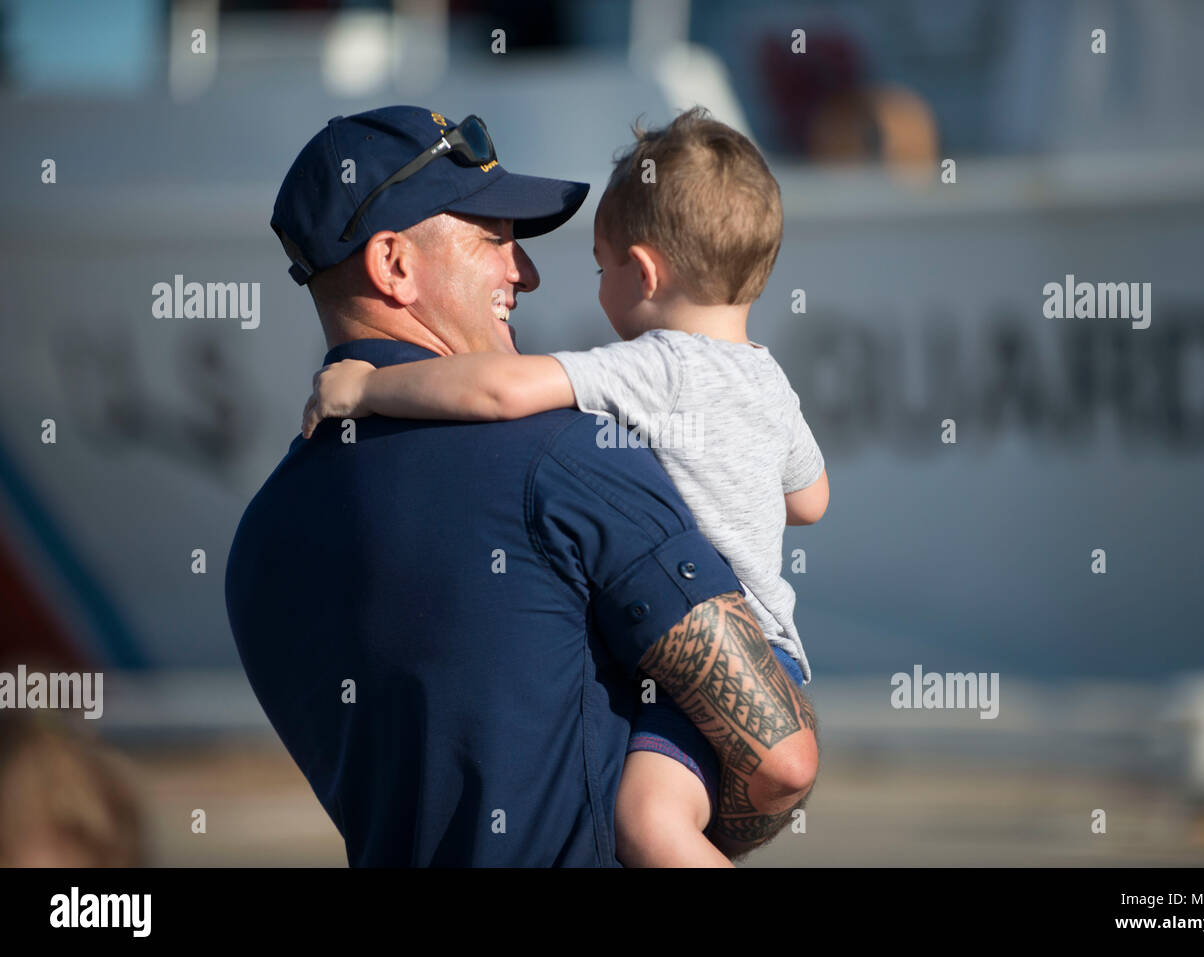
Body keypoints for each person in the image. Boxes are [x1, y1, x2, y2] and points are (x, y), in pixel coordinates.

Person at [225, 105, 818, 867]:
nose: (527, 273)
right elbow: (779, 759)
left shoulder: (260, 546)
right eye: (494, 240)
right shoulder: (571, 456)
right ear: (394, 264)